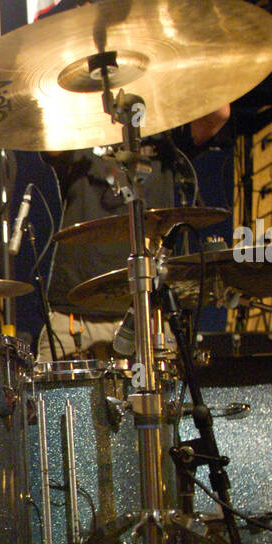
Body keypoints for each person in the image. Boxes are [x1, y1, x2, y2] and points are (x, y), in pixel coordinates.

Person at [38, 106, 230, 360]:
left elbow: (218, 114)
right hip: (76, 316)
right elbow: (48, 130)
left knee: (164, 399)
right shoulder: (79, 125)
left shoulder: (164, 131)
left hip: (150, 314)